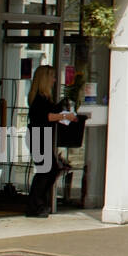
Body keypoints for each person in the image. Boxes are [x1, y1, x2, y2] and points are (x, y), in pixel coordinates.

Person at [26, 65, 74, 218]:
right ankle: (35, 205)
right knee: (45, 170)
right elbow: (46, 116)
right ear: (45, 79)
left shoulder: (45, 97)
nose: (54, 80)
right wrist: (64, 116)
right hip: (38, 135)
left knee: (51, 169)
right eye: (52, 77)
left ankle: (39, 202)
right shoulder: (38, 98)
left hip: (43, 135)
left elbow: (51, 113)